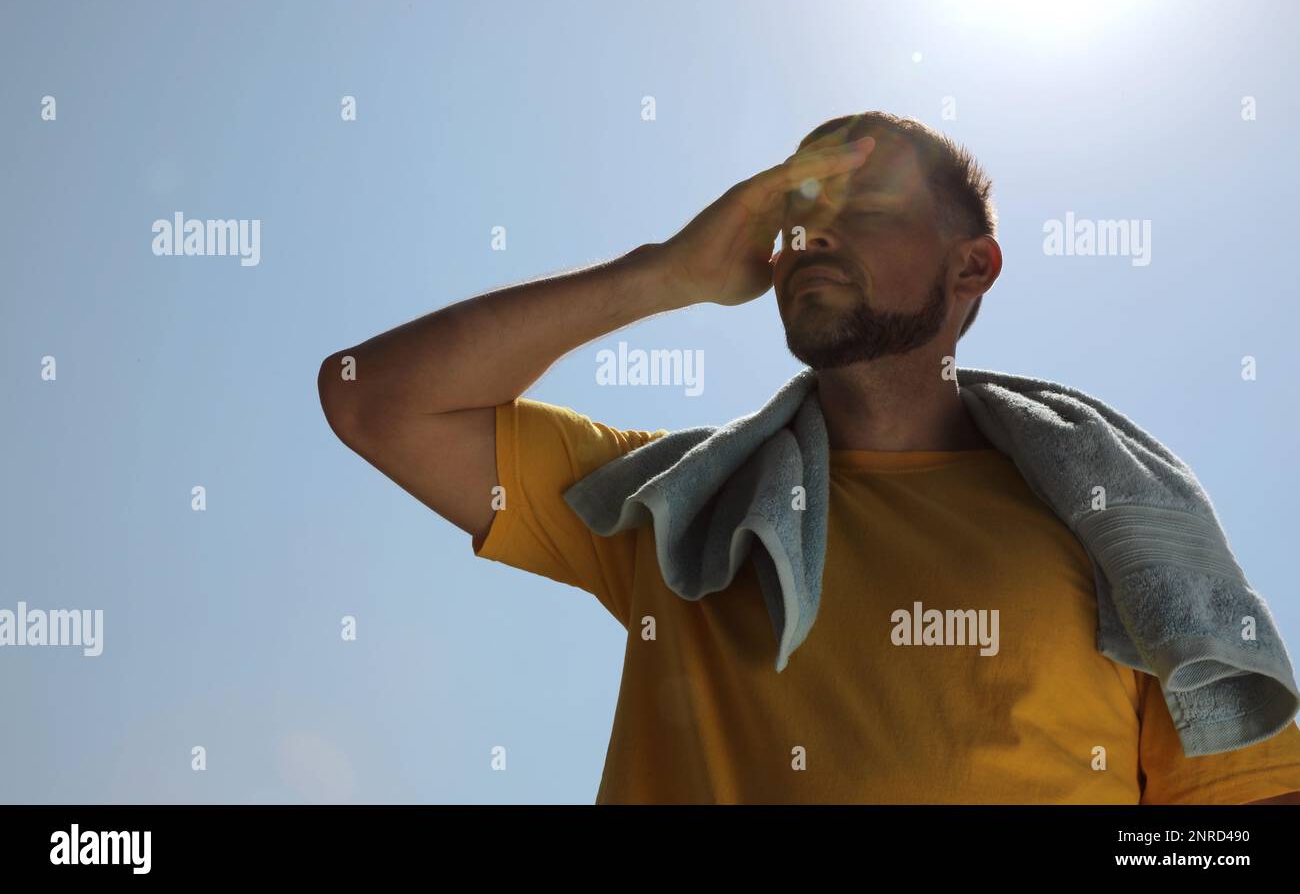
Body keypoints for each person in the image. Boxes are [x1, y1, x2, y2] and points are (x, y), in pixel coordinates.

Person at [318, 111, 1300, 804]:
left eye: (864, 208)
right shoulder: (675, 512)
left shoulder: (1112, 527)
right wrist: (665, 272)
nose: (811, 231)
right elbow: (374, 399)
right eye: (795, 213)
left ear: (972, 266)